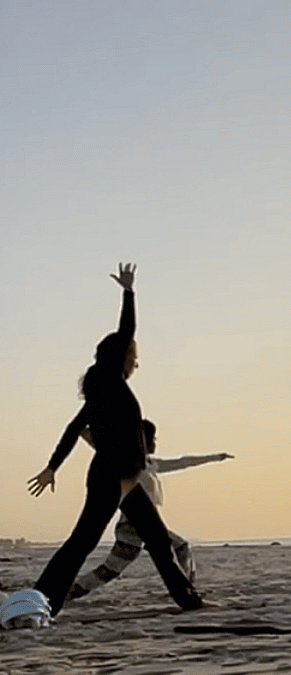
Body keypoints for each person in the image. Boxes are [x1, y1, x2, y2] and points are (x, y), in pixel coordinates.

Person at [27, 264, 203, 616]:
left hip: (127, 476)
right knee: (81, 544)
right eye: (133, 358)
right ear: (120, 358)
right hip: (110, 475)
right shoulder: (108, 382)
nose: (136, 364)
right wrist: (128, 291)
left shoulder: (107, 391)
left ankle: (191, 602)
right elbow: (127, 329)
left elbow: (74, 425)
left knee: (157, 541)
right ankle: (38, 603)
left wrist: (52, 467)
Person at [67, 419, 234, 601]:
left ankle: (73, 591)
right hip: (132, 525)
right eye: (152, 439)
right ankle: (72, 591)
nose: (155, 443)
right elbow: (98, 443)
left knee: (114, 568)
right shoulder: (125, 462)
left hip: (147, 524)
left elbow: (184, 462)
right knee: (117, 567)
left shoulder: (151, 464)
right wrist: (84, 428)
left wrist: (216, 457)